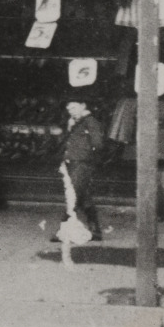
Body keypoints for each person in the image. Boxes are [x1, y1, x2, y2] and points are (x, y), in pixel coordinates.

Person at [56, 98, 106, 241]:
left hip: (82, 163)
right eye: (69, 109)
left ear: (83, 105)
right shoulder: (77, 123)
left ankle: (63, 231)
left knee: (73, 196)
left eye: (73, 107)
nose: (71, 111)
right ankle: (95, 231)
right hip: (73, 162)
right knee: (83, 197)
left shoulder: (90, 121)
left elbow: (98, 144)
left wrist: (87, 156)